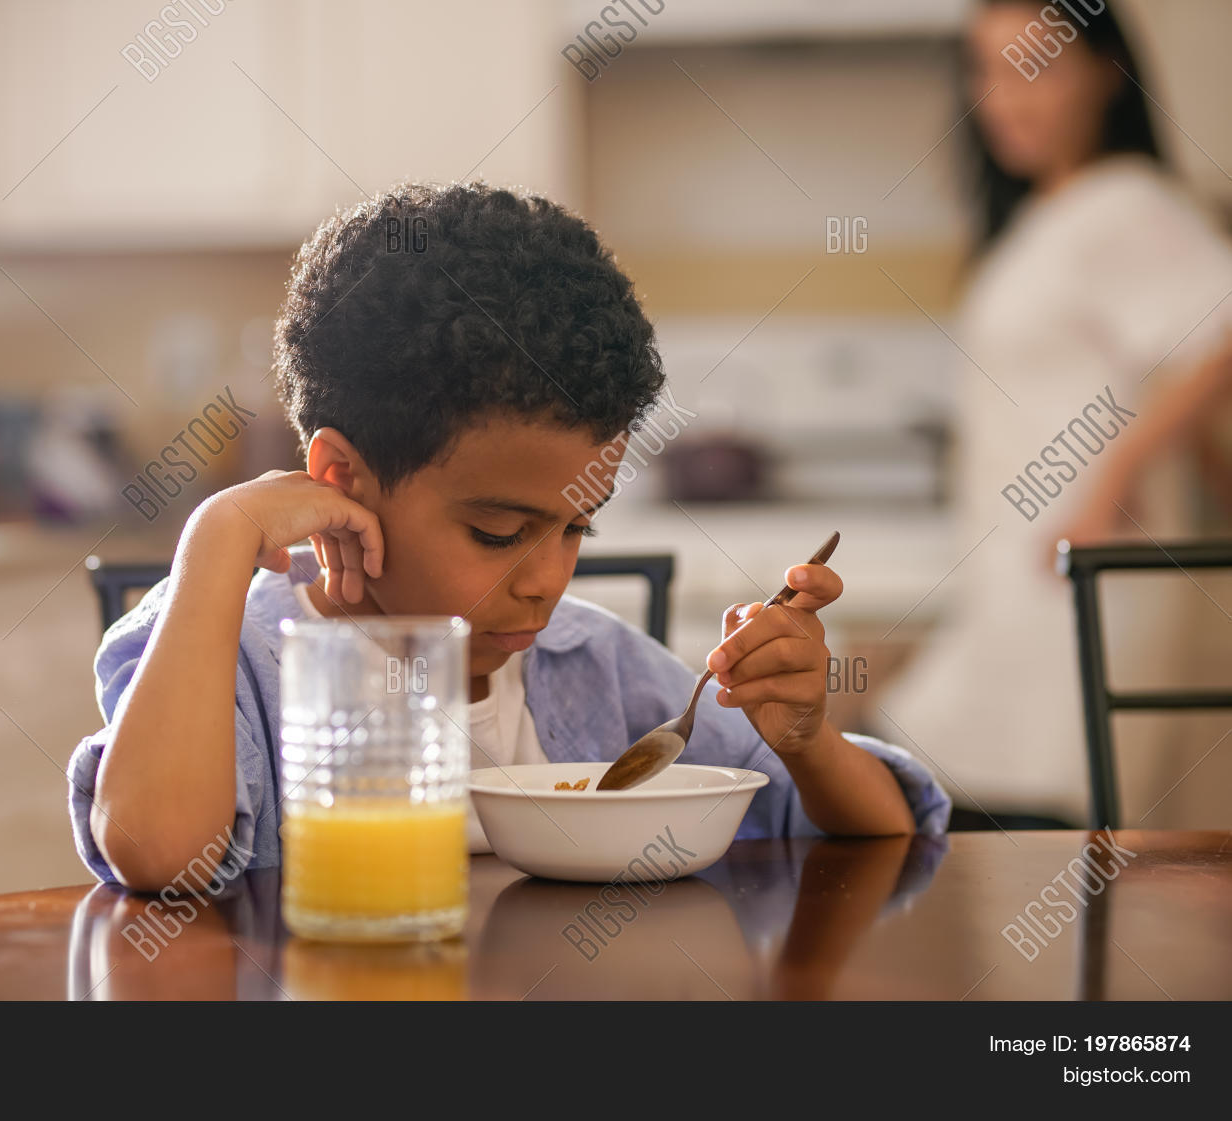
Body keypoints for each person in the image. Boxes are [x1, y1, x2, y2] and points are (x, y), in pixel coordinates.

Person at [68, 183, 950, 892]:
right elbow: (158, 855)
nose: (548, 581)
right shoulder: (236, 657)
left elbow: (883, 832)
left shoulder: (594, 667)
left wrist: (803, 736)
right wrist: (216, 539)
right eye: (498, 532)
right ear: (341, 478)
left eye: (577, 527)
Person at [880, 0, 1232, 827]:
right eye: (986, 70)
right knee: (982, 815)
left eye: (1033, 67)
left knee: (1026, 831)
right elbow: (1172, 365)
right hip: (1024, 581)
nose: (1003, 97)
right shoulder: (1050, 215)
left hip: (1077, 581)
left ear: (1105, 73)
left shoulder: (1126, 201)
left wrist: (1116, 475)